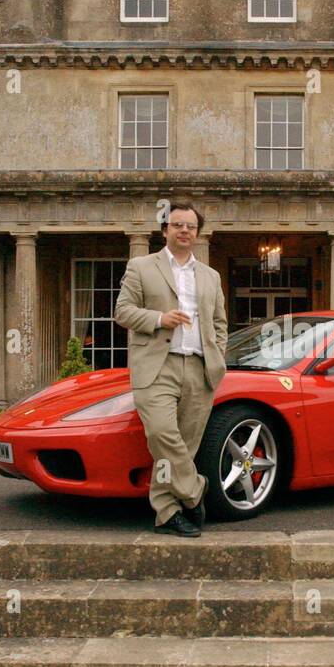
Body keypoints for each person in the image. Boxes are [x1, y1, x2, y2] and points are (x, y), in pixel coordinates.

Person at [114, 198, 228, 536]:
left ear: (197, 233)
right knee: (163, 434)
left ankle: (167, 514)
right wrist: (159, 319)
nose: (184, 231)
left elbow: (219, 323)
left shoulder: (210, 276)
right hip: (157, 367)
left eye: (191, 226)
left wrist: (217, 357)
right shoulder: (141, 266)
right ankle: (195, 491)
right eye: (177, 224)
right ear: (165, 229)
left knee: (183, 446)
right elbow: (122, 311)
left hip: (198, 369)